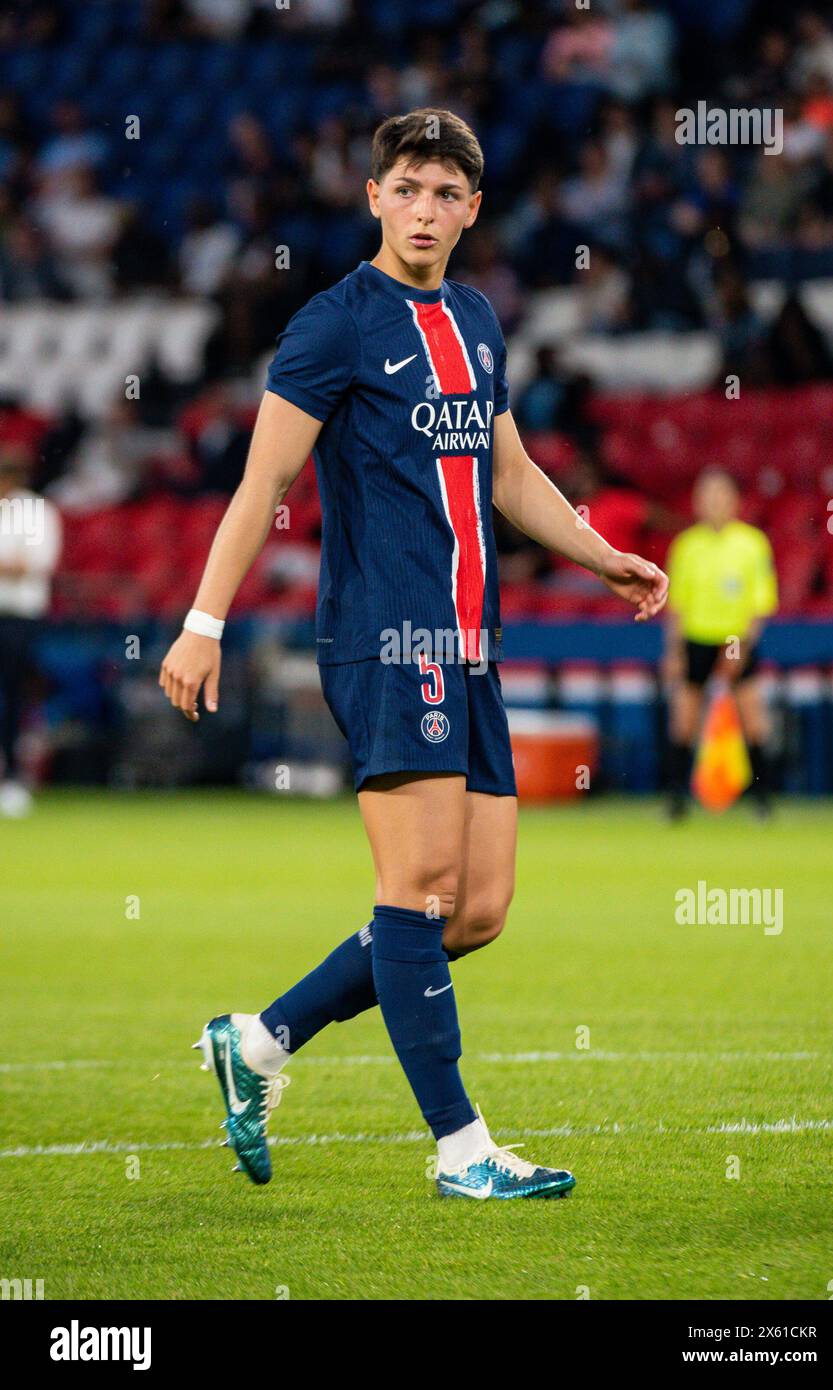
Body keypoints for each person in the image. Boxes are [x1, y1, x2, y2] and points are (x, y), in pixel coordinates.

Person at [159, 108, 668, 1200]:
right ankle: (462, 1150)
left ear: (473, 208)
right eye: (407, 187)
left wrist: (599, 554)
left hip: (471, 643)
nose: (425, 209)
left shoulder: (479, 320)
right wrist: (203, 623)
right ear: (375, 196)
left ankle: (255, 1044)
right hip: (390, 637)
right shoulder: (334, 324)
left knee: (471, 913)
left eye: (447, 193)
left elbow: (511, 472)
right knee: (419, 889)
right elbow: (264, 486)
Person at [663, 469, 778, 820]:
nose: (712, 502)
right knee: (684, 719)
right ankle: (677, 800)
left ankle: (761, 798)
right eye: (706, 495)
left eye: (720, 494)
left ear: (734, 501)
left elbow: (761, 604)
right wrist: (674, 652)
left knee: (753, 717)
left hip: (733, 638)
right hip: (697, 638)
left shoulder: (753, 543)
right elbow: (677, 606)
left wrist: (740, 649)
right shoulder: (685, 546)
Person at [0, 447, 62, 816]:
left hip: (18, 618)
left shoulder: (37, 511)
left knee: (13, 698)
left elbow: (35, 564)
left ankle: (12, 780)